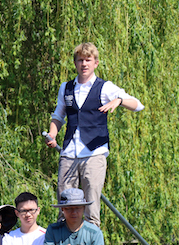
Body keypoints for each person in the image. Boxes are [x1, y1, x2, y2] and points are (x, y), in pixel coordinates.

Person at [46, 42, 144, 226]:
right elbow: (58, 116)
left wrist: (119, 100)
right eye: (80, 60)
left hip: (94, 153)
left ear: (95, 63)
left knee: (91, 207)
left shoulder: (105, 87)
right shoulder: (65, 88)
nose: (84, 64)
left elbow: (138, 105)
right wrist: (53, 134)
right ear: (75, 63)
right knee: (64, 204)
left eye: (88, 60)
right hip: (69, 152)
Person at [39, 188, 105, 245]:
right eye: (69, 208)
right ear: (63, 209)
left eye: (77, 208)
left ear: (83, 208)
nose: (74, 212)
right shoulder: (53, 229)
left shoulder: (94, 231)